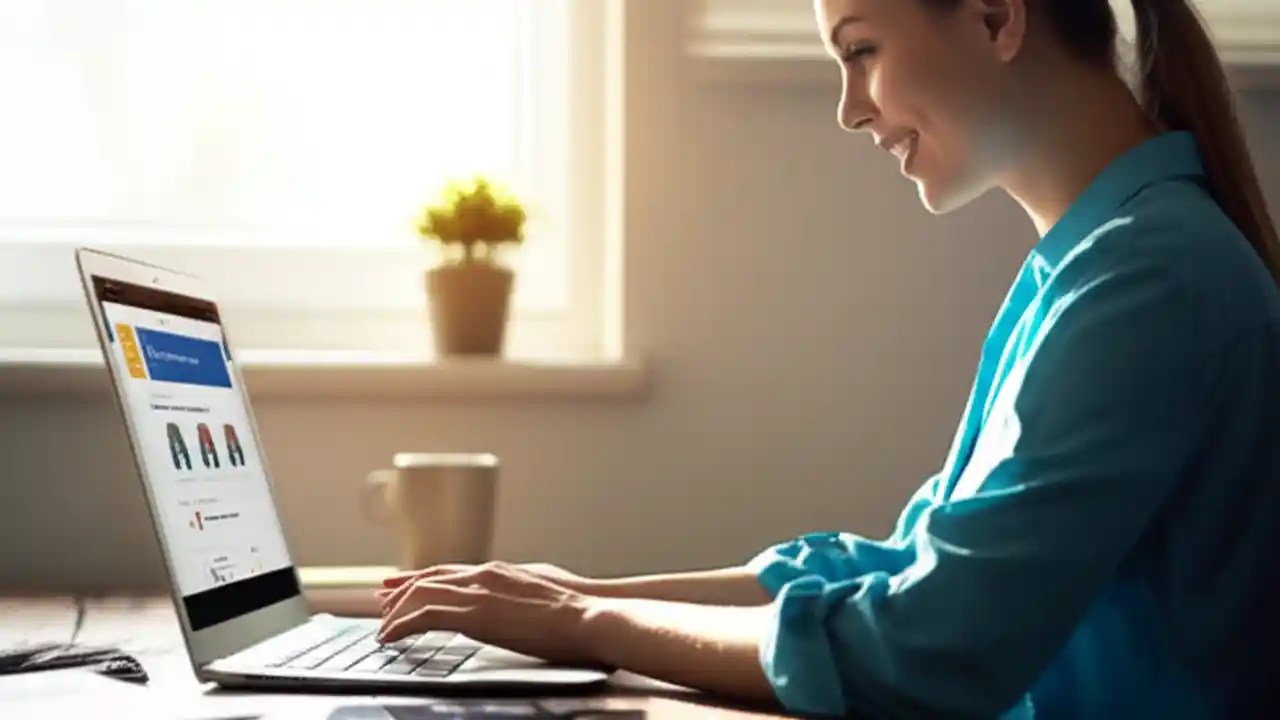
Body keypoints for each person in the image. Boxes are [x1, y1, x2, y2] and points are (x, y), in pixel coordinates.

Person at [375, 0, 1280, 716]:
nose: (850, 109)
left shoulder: (1148, 277)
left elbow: (931, 644)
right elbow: (906, 566)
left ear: (996, 16)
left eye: (861, 50)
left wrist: (591, 623)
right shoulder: (1092, 267)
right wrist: (579, 596)